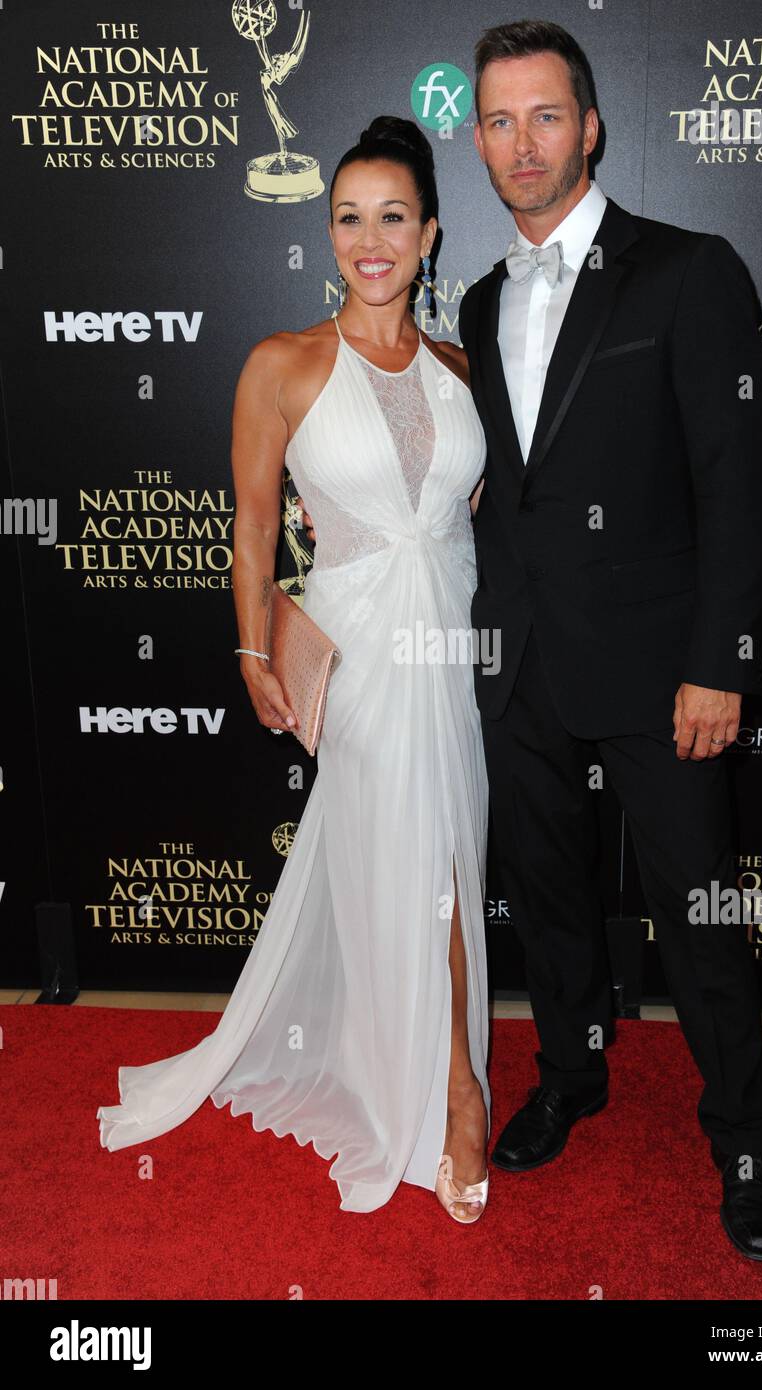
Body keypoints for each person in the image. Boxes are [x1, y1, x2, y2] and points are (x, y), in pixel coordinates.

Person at [97, 116, 492, 1223]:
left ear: (428, 233)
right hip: (360, 656)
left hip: (455, 645)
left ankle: (424, 1069)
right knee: (418, 859)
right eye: (348, 218)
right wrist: (251, 650)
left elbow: (468, 517)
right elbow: (253, 526)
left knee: (452, 849)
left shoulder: (465, 371)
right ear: (327, 231)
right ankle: (452, 1089)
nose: (370, 240)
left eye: (393, 218)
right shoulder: (280, 364)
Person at [456, 19, 762, 1261]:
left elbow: (739, 476)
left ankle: (744, 1140)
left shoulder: (686, 270)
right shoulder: (481, 297)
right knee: (547, 901)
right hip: (524, 665)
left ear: (589, 125)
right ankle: (570, 1074)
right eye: (498, 120)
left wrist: (721, 661)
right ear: (476, 137)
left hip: (663, 672)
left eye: (545, 116)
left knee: (698, 913)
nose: (521, 142)